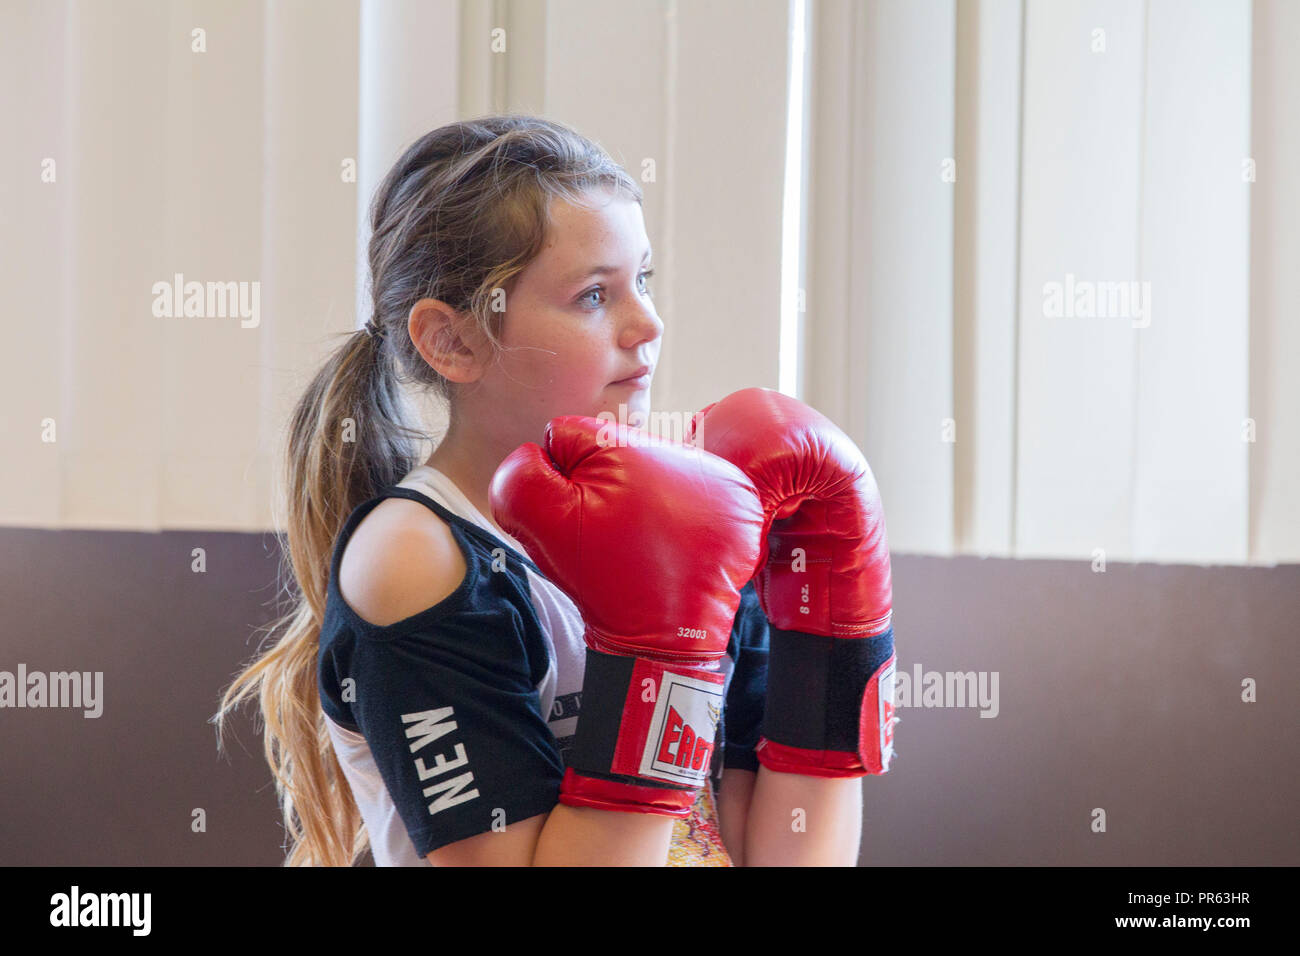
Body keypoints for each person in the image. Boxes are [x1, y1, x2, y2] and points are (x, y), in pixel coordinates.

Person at [215, 114, 884, 866]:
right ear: (455, 340)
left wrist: (834, 631)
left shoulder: (697, 515)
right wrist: (658, 659)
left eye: (644, 281)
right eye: (594, 296)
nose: (647, 323)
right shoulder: (416, 559)